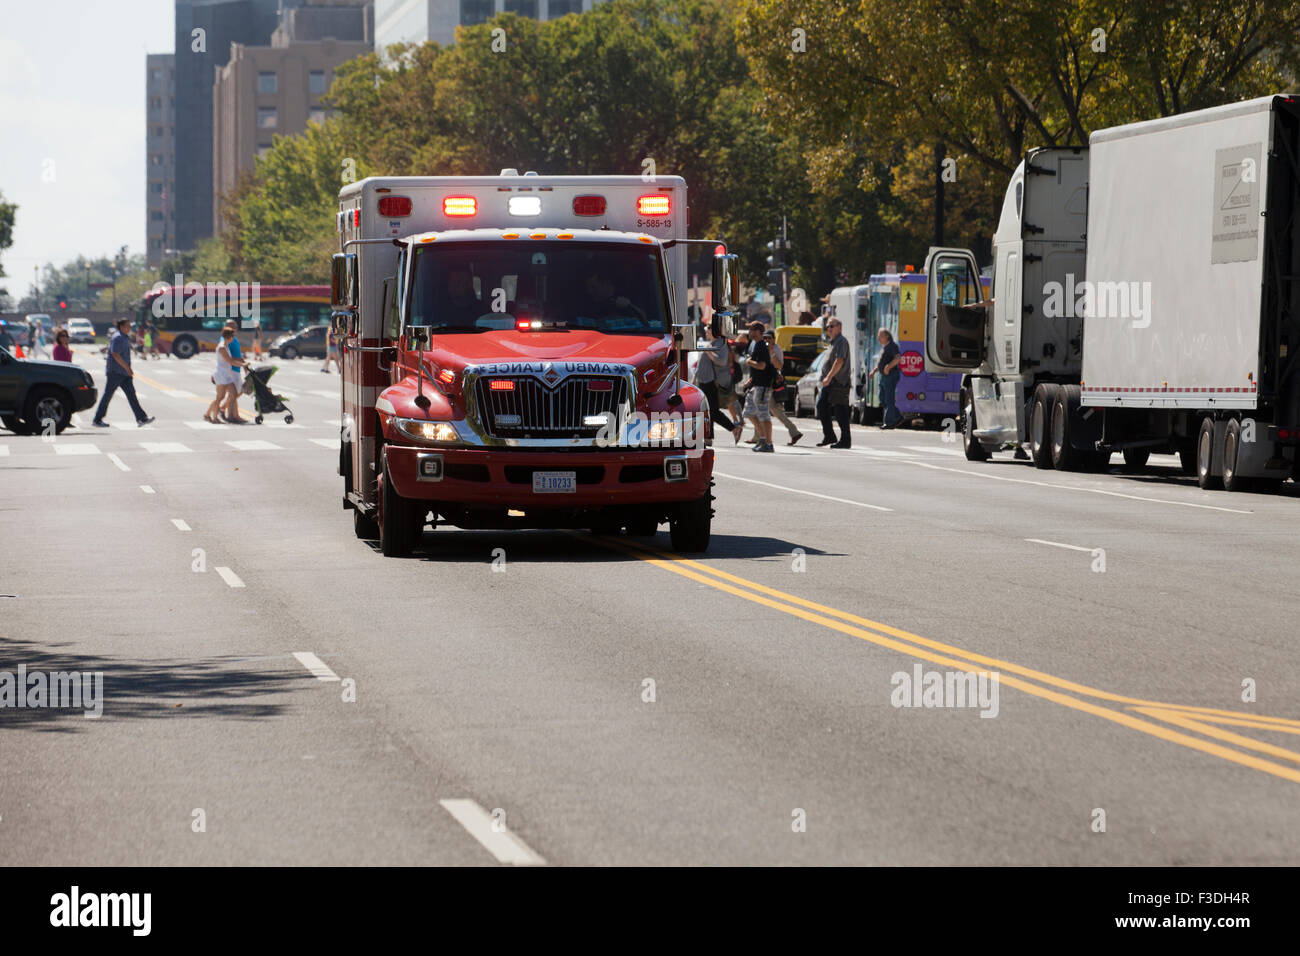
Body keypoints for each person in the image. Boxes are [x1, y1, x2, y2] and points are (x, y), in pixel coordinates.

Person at [92, 318, 155, 428]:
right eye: (127, 326)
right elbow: (115, 354)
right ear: (121, 327)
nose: (129, 328)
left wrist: (127, 369)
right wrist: (127, 368)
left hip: (123, 373)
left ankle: (141, 418)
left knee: (132, 395)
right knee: (108, 395)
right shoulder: (118, 337)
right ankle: (97, 419)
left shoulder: (124, 337)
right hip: (115, 372)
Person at [693, 316, 739, 439]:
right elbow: (701, 364)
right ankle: (709, 437)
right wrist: (694, 380)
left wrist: (708, 351)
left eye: (708, 328)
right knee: (708, 411)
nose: (706, 330)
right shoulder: (711, 343)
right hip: (703, 382)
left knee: (711, 411)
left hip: (711, 382)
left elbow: (721, 361)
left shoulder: (720, 345)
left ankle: (732, 428)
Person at [737, 320, 775, 453]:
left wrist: (749, 362)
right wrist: (750, 381)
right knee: (749, 412)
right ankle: (763, 438)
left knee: (764, 415)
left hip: (763, 386)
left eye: (752, 329)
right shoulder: (754, 344)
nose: (749, 332)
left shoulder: (761, 346)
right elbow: (758, 369)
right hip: (755, 385)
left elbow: (762, 366)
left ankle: (768, 443)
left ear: (759, 332)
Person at [763, 329, 803, 446]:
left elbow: (779, 366)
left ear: (774, 339)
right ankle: (794, 432)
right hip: (764, 381)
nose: (767, 340)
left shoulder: (776, 349)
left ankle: (760, 436)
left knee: (761, 408)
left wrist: (771, 354)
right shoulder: (763, 347)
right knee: (772, 409)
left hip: (771, 382)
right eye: (765, 338)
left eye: (769, 338)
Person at [817, 316, 852, 448]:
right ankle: (830, 436)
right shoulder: (833, 342)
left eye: (832, 326)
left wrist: (829, 377)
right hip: (831, 382)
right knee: (822, 407)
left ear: (839, 327)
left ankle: (845, 440)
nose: (829, 329)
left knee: (840, 411)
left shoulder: (841, 342)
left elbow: (840, 361)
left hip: (838, 382)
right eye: (828, 327)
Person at [207, 327, 249, 424]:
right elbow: (229, 361)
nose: (233, 338)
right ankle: (214, 418)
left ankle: (228, 415)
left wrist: (242, 361)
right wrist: (243, 364)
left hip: (227, 375)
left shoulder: (226, 346)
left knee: (233, 394)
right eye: (232, 336)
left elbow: (231, 358)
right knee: (220, 397)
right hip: (221, 375)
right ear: (229, 337)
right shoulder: (221, 347)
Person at [869, 328, 902, 429]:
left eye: (880, 336)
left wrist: (888, 367)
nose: (878, 338)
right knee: (882, 398)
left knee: (889, 399)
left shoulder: (892, 346)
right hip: (883, 376)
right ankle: (897, 416)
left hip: (890, 375)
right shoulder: (884, 347)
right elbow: (881, 363)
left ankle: (889, 422)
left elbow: (898, 358)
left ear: (887, 336)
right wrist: (874, 371)